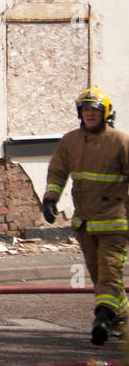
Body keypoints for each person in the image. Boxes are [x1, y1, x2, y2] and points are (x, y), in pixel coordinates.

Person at [43, 86, 129, 345]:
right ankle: (119, 320)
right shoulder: (70, 141)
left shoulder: (120, 142)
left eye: (95, 110)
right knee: (97, 275)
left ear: (106, 114)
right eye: (86, 110)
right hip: (85, 224)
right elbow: (57, 172)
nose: (90, 115)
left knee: (109, 273)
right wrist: (50, 198)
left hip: (115, 223)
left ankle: (101, 319)